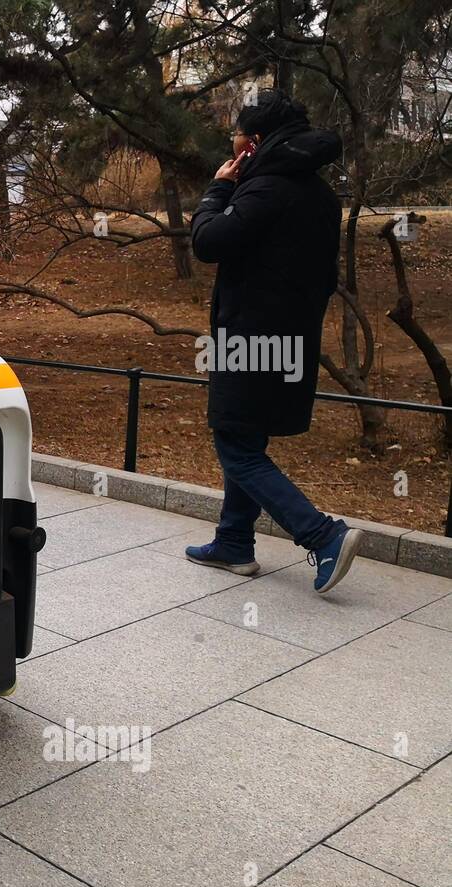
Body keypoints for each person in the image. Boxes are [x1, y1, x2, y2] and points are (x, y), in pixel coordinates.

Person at [187, 88, 361, 594]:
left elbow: (207, 243)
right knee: (247, 437)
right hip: (292, 340)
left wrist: (217, 190)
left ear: (253, 143)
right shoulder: (320, 195)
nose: (231, 145)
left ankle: (323, 535)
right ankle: (234, 542)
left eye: (235, 137)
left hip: (248, 340)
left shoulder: (263, 191)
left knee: (235, 444)